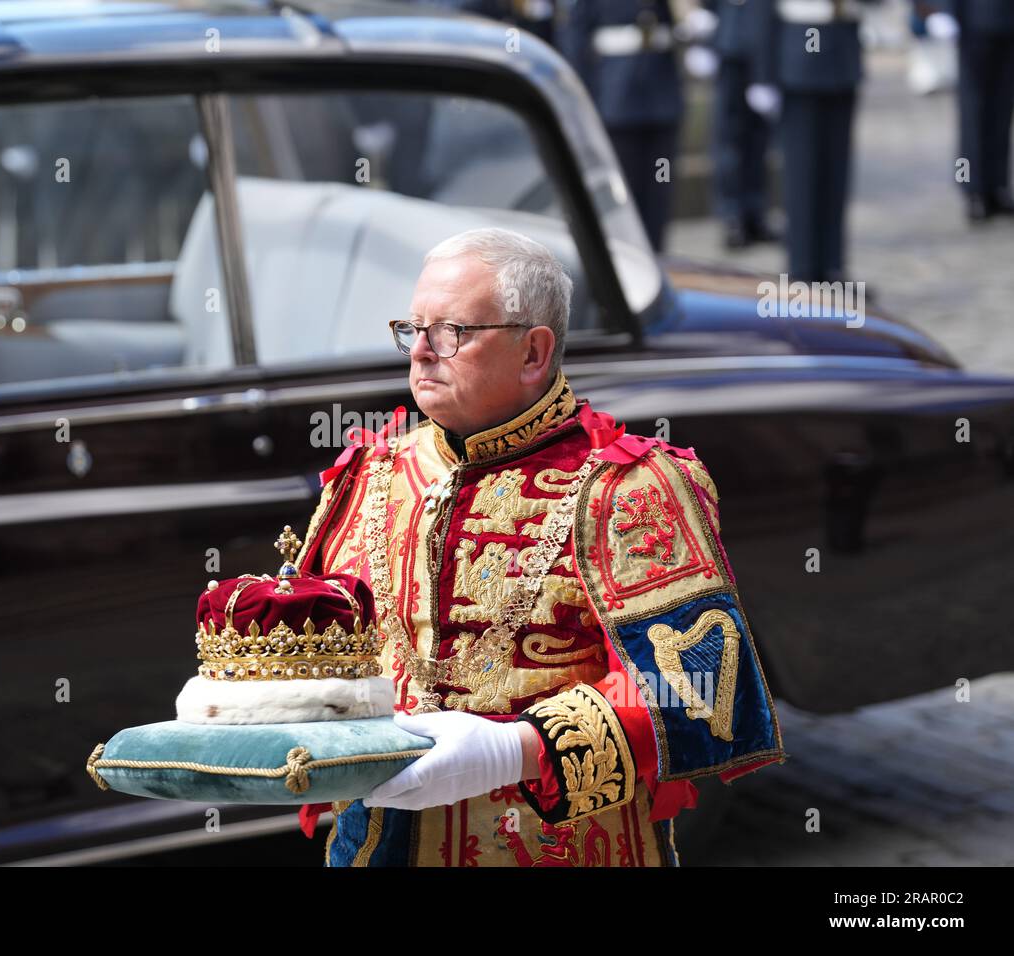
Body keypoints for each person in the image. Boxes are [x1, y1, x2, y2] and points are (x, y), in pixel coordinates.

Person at [292, 228, 786, 867]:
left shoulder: (630, 487)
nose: (419, 353)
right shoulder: (372, 469)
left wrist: (519, 750)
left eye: (451, 332)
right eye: (411, 328)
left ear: (533, 351)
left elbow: (698, 689)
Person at [753, 0, 882, 283]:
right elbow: (763, 9)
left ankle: (832, 266)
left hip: (842, 49)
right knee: (802, 173)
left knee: (836, 170)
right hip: (799, 53)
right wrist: (763, 74)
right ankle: (802, 269)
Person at [552, 0, 684, 251]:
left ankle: (657, 255)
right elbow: (575, 37)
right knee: (624, 191)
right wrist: (586, 95)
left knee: (660, 184)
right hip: (615, 95)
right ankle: (625, 260)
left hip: (661, 91)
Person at [699, 0, 782, 247]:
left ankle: (755, 212)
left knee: (759, 136)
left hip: (764, 41)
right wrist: (705, 40)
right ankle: (731, 214)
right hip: (731, 36)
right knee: (730, 136)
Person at [925, 1, 1014, 220]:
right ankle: (970, 189)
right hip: (972, 21)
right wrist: (944, 10)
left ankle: (997, 186)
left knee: (1002, 112)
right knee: (972, 114)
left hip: (1007, 21)